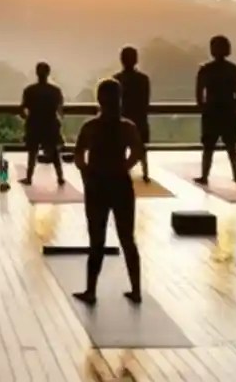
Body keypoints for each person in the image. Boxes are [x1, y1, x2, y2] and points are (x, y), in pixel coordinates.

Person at [72, 79, 144, 305]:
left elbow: (78, 156)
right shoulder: (127, 127)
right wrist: (124, 167)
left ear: (99, 99)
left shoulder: (90, 126)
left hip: (97, 185)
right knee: (127, 239)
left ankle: (91, 291)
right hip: (121, 184)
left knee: (97, 241)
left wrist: (87, 174)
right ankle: (136, 290)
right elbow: (137, 152)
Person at [195, 35, 236, 185]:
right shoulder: (235, 70)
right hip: (228, 111)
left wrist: (203, 107)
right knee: (232, 148)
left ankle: (204, 176)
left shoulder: (205, 70)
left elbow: (199, 92)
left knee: (208, 148)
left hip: (211, 112)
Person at [19, 62, 65, 186]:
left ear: (36, 73)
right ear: (48, 73)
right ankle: (60, 177)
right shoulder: (55, 91)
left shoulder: (30, 90)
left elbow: (22, 109)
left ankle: (29, 177)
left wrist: (27, 118)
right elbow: (60, 110)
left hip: (34, 123)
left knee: (32, 153)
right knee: (55, 153)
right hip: (50, 123)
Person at [114, 47, 152, 183]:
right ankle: (145, 172)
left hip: (123, 117)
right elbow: (145, 100)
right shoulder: (143, 79)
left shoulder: (116, 79)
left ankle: (122, 171)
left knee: (121, 148)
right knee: (140, 148)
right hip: (139, 118)